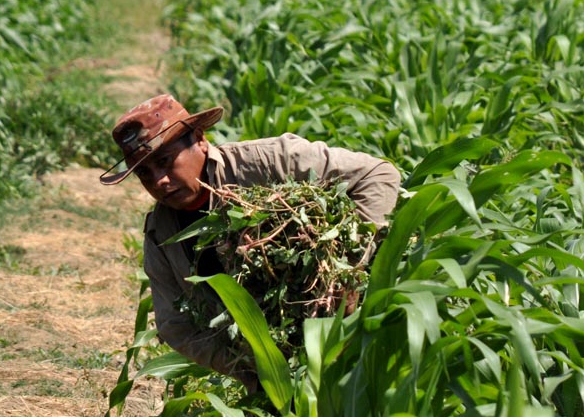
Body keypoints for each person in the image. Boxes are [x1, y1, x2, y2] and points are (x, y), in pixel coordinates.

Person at [100, 94, 401, 392]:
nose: (159, 181)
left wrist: (347, 271)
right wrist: (255, 368)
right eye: (144, 173)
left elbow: (377, 174)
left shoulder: (266, 162)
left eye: (165, 161)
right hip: (278, 369)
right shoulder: (163, 234)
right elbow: (174, 326)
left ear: (199, 139)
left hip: (356, 331)